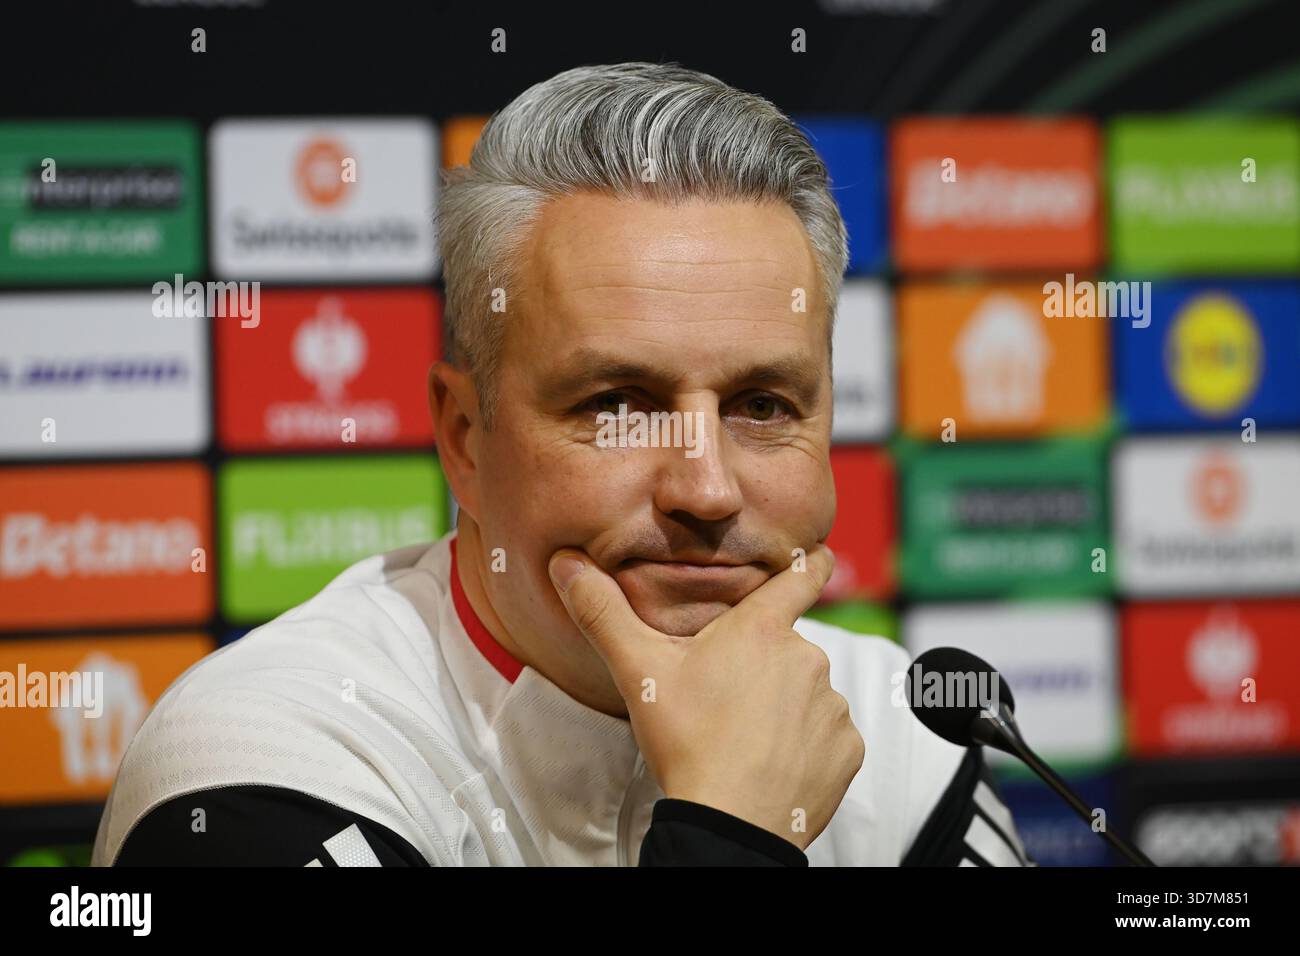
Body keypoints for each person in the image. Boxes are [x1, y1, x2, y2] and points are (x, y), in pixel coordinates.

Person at [93, 62, 1029, 867]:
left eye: (761, 407)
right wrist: (729, 836)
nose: (705, 489)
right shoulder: (263, 767)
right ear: (465, 436)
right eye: (617, 407)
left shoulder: (905, 740)